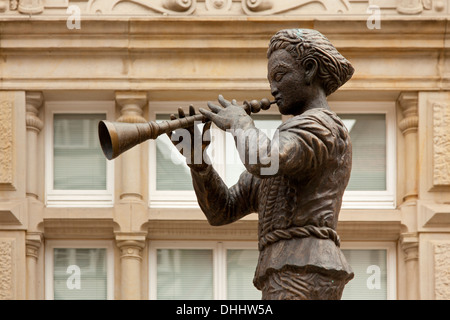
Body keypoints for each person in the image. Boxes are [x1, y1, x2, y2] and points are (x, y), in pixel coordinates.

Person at [169, 28, 355, 300]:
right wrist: (198, 160)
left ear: (309, 69)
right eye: (270, 79)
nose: (272, 88)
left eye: (280, 75)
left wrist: (239, 123)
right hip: (286, 269)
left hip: (305, 267)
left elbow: (263, 158)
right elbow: (223, 210)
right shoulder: (281, 157)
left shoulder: (320, 127)